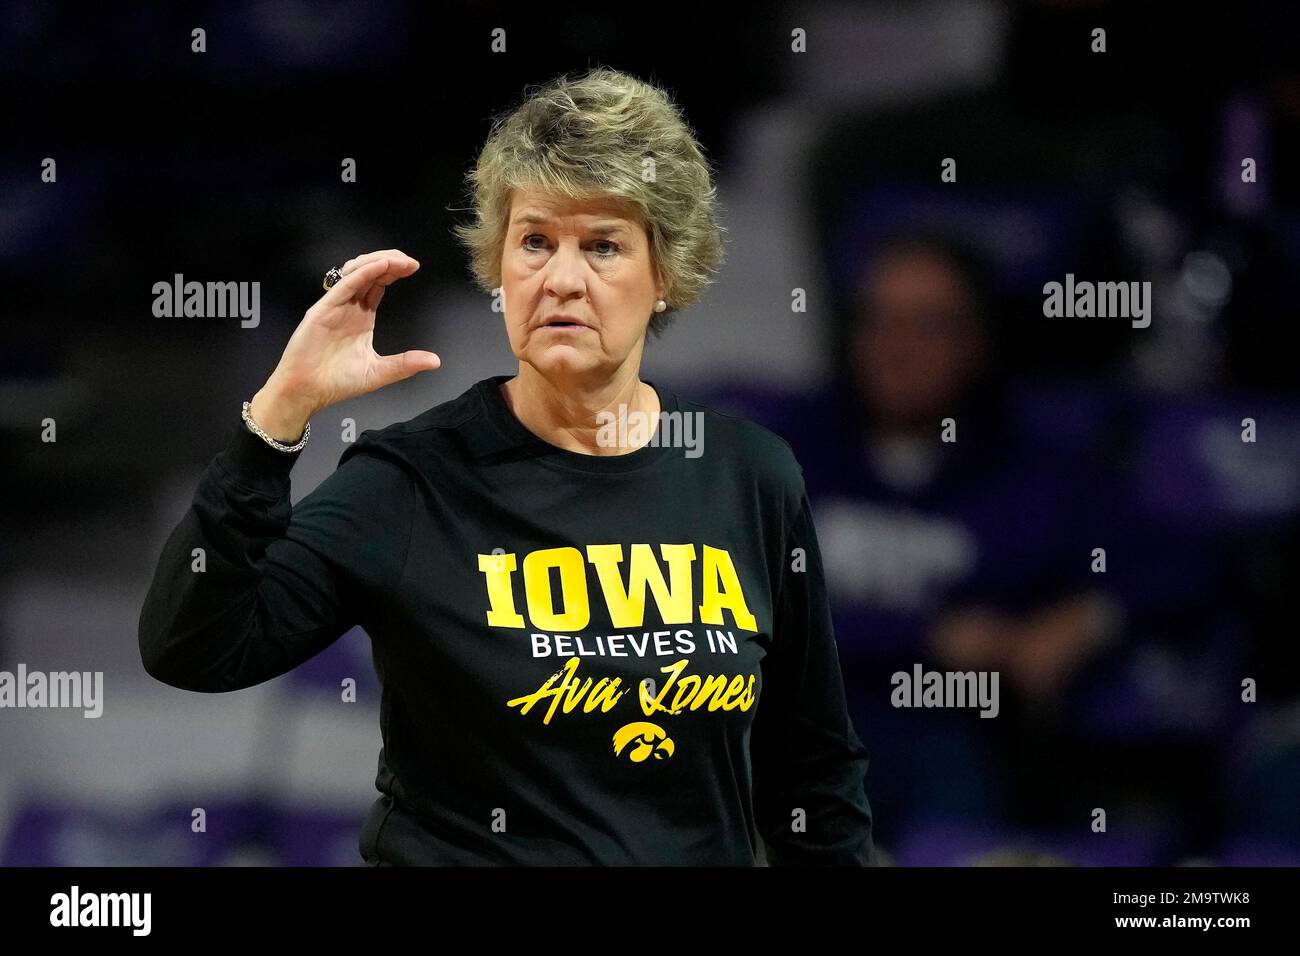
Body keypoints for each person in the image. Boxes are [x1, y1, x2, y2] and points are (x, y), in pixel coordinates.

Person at [137, 67, 874, 866]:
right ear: (498, 266)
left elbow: (815, 775)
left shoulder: (750, 476)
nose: (561, 278)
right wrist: (277, 416)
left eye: (602, 245)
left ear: (665, 274)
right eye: (534, 242)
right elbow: (194, 648)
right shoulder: (412, 479)